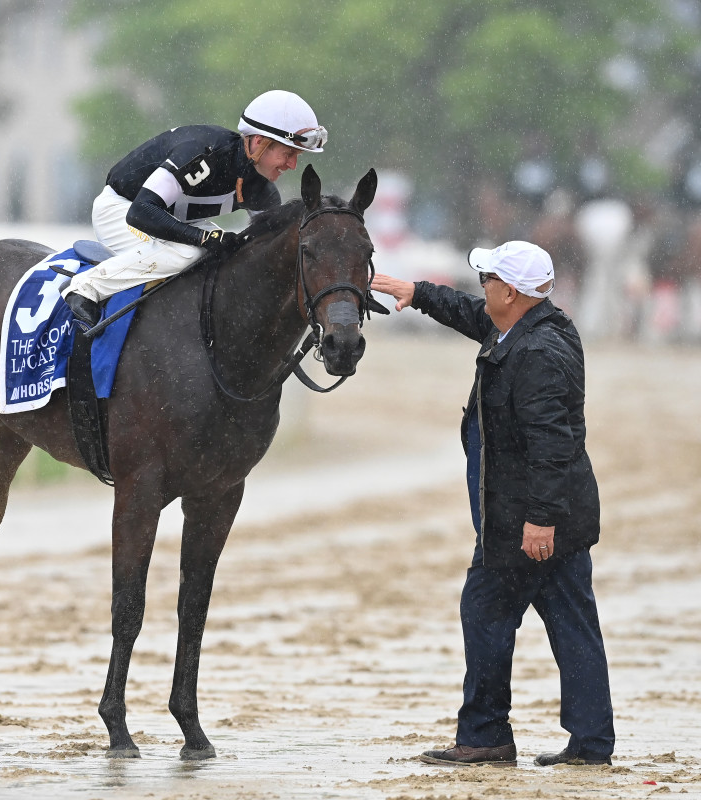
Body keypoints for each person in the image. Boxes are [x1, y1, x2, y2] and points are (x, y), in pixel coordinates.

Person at [371, 241, 615, 768]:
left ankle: (485, 737)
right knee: (573, 625)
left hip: (525, 522)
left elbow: (552, 445)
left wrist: (539, 521)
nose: (481, 288)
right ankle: (591, 743)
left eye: (488, 280)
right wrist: (417, 293)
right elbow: (467, 311)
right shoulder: (525, 325)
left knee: (484, 611)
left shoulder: (537, 353)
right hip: (557, 517)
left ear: (510, 293)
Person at [62, 90, 327, 328]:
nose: (292, 165)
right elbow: (141, 212)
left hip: (166, 220)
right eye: (288, 154)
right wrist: (203, 238)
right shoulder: (205, 153)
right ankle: (84, 288)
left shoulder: (262, 190)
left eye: (297, 157)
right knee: (190, 251)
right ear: (259, 142)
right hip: (122, 210)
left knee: (230, 257)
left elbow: (269, 253)